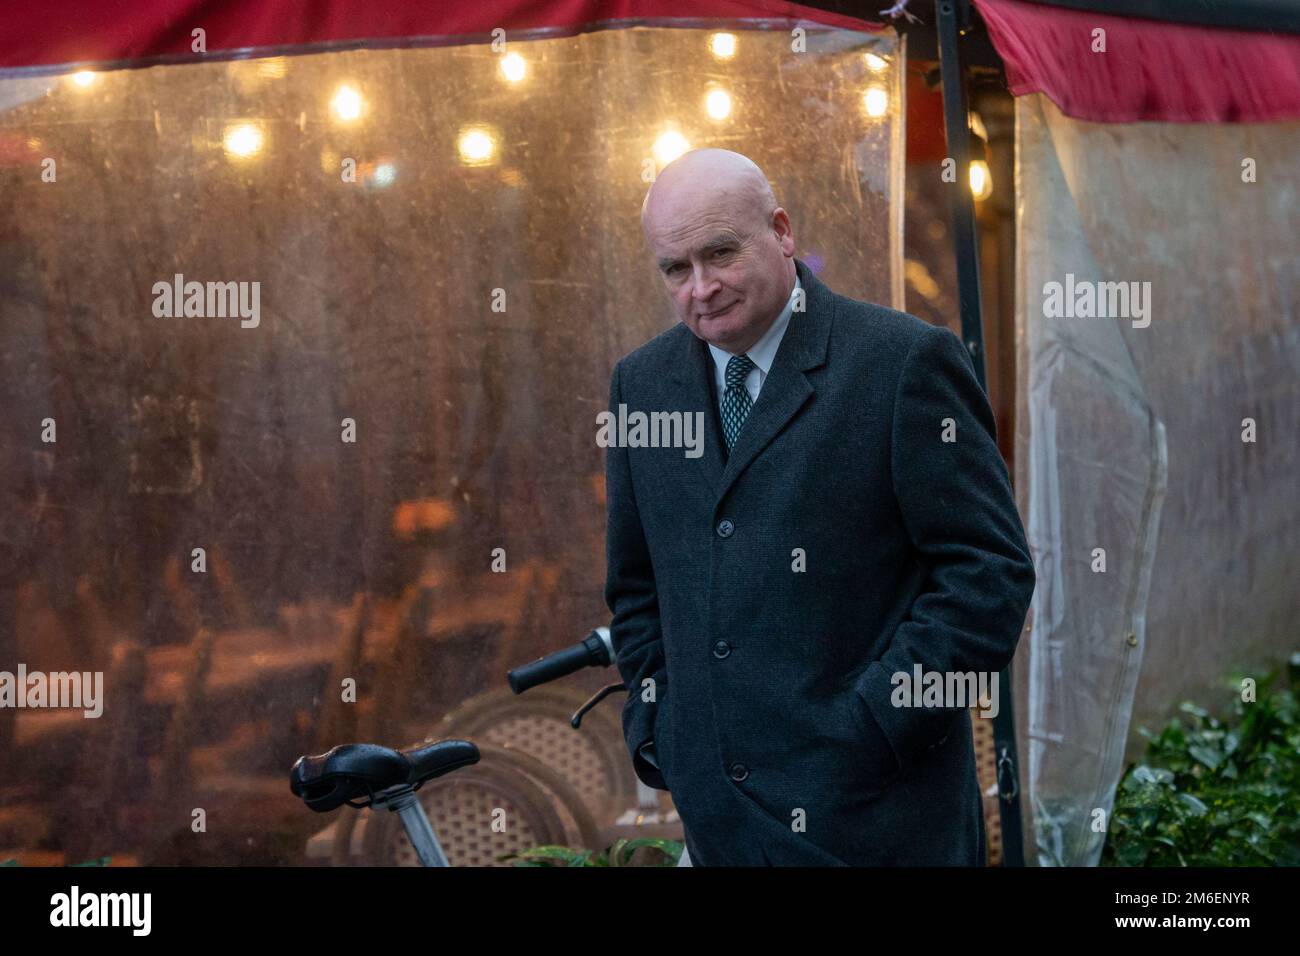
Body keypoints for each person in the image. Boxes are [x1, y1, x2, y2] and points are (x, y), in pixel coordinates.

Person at [602, 148, 1037, 866]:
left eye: (719, 253)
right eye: (675, 269)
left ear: (781, 230)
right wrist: (662, 731)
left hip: (882, 823)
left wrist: (877, 725)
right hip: (721, 823)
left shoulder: (903, 363)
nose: (701, 289)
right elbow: (636, 586)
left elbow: (989, 576)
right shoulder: (640, 385)